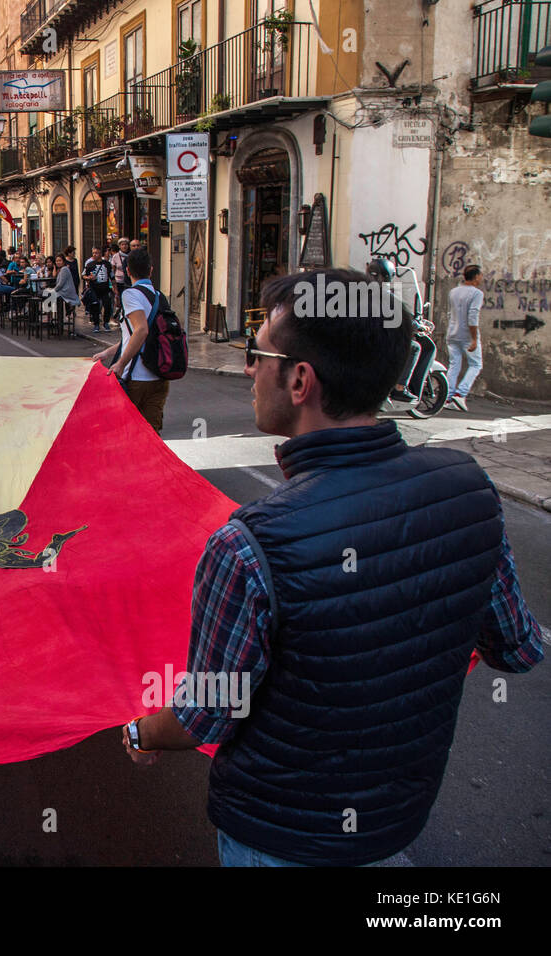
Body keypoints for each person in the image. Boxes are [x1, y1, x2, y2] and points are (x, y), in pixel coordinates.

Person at [118, 268, 544, 867]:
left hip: (277, 834)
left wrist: (139, 731)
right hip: (395, 821)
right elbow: (519, 649)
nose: (247, 369)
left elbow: (204, 715)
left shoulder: (249, 545)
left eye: (255, 351)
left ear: (299, 380)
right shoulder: (472, 491)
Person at [91, 248, 170, 432]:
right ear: (151, 270)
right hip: (159, 376)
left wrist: (120, 363)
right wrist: (108, 352)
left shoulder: (130, 295)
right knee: (152, 435)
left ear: (127, 271)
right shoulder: (159, 296)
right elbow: (134, 335)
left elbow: (141, 330)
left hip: (137, 377)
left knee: (126, 433)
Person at [446, 265, 484, 412]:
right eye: (480, 275)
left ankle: (448, 397)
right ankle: (460, 394)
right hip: (467, 334)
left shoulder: (453, 292)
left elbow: (451, 313)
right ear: (475, 277)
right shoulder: (477, 294)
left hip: (452, 332)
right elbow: (473, 316)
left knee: (454, 365)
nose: (481, 278)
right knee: (476, 364)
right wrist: (474, 339)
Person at [83, 246, 113, 333]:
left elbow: (112, 276)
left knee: (107, 305)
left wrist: (115, 289)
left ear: (100, 253)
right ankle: (96, 324)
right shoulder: (89, 265)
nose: (95, 255)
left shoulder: (107, 264)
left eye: (97, 253)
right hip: (94, 288)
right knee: (95, 306)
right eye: (93, 253)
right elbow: (83, 275)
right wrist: (89, 278)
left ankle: (106, 322)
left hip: (105, 288)